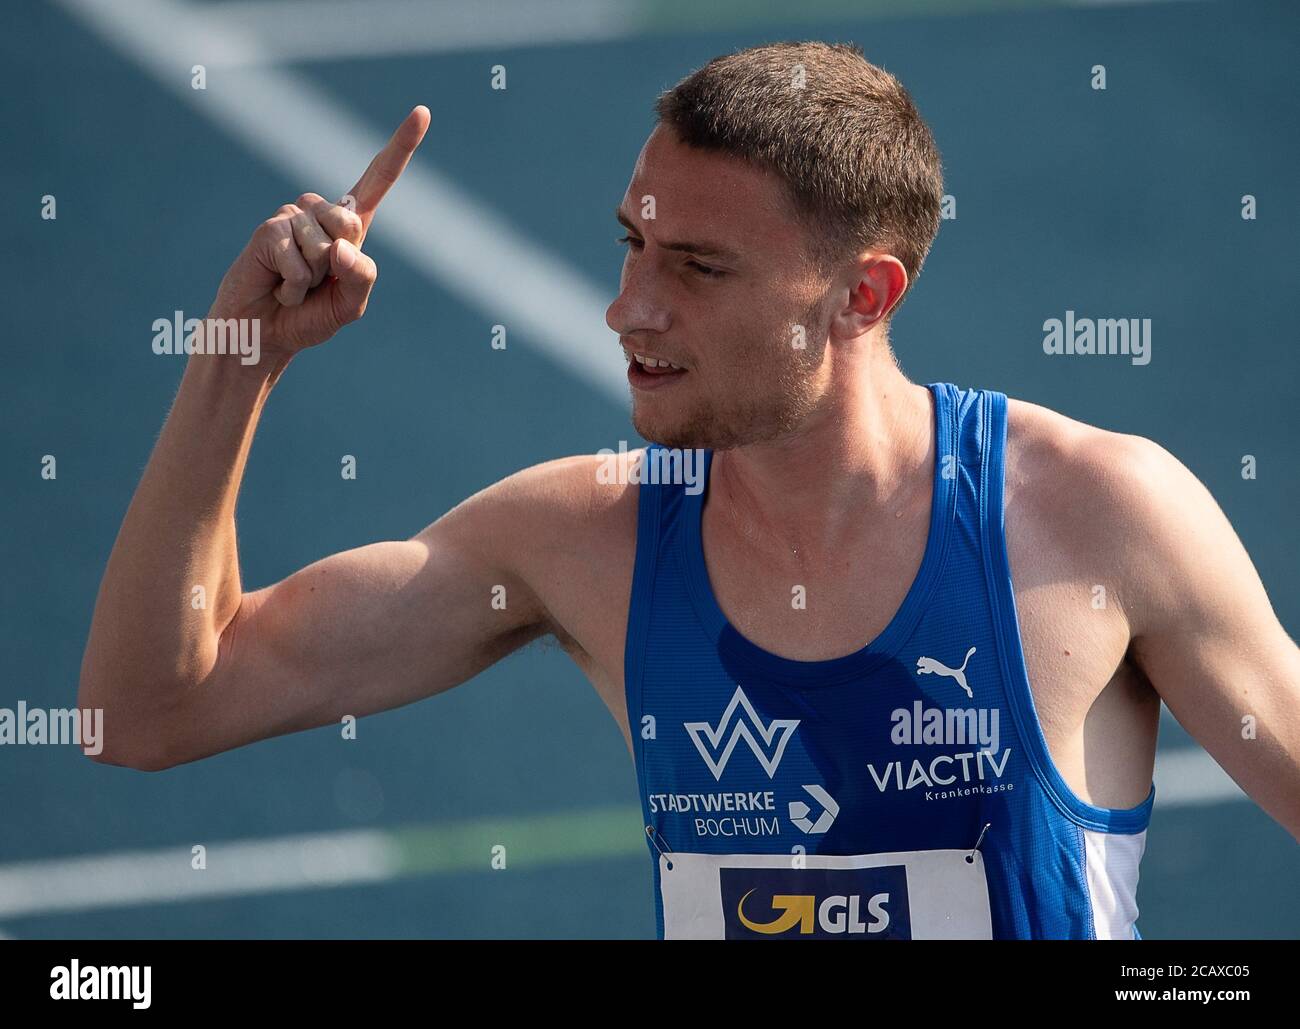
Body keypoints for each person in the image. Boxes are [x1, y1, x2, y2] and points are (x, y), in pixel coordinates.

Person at [79, 42, 1300, 939]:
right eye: (631, 246)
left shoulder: (1096, 517)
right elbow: (150, 713)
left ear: (862, 298)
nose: (630, 310)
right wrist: (238, 360)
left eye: (698, 268)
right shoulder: (580, 542)